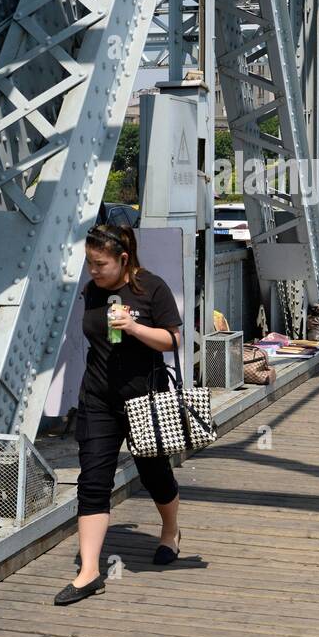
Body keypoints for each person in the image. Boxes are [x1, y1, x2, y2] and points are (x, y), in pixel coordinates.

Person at [54, 222, 184, 606]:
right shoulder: (93, 291)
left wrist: (134, 327)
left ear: (123, 259)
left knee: (154, 472)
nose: (92, 271)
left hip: (144, 397)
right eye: (89, 263)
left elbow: (173, 338)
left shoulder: (152, 288)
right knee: (92, 479)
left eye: (100, 263)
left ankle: (170, 531)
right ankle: (89, 572)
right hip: (98, 398)